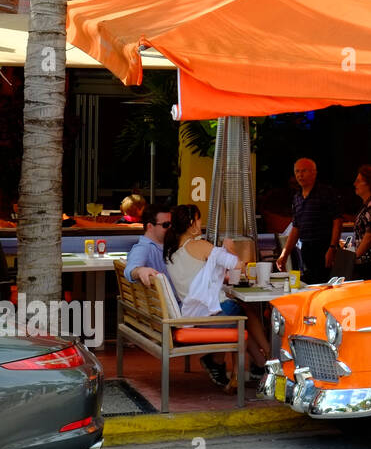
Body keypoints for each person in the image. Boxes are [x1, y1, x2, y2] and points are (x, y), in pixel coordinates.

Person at [164, 205, 271, 387]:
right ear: (191, 223)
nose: (200, 223)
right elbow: (238, 266)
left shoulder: (171, 251)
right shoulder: (199, 245)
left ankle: (263, 361)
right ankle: (268, 358)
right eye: (198, 219)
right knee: (242, 312)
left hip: (191, 315)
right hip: (209, 316)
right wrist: (230, 249)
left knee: (244, 311)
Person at [276, 158, 342, 285]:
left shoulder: (326, 193)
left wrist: (332, 247)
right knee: (310, 283)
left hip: (324, 245)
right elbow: (296, 228)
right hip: (306, 247)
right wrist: (284, 254)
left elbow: (337, 221)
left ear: (314, 172)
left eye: (304, 171)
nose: (300, 175)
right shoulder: (297, 197)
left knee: (325, 284)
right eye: (297, 171)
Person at [124, 203, 171, 286]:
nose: (170, 228)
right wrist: (139, 271)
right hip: (172, 299)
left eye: (172, 224)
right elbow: (130, 270)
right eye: (166, 225)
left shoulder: (168, 245)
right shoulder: (144, 248)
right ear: (150, 226)